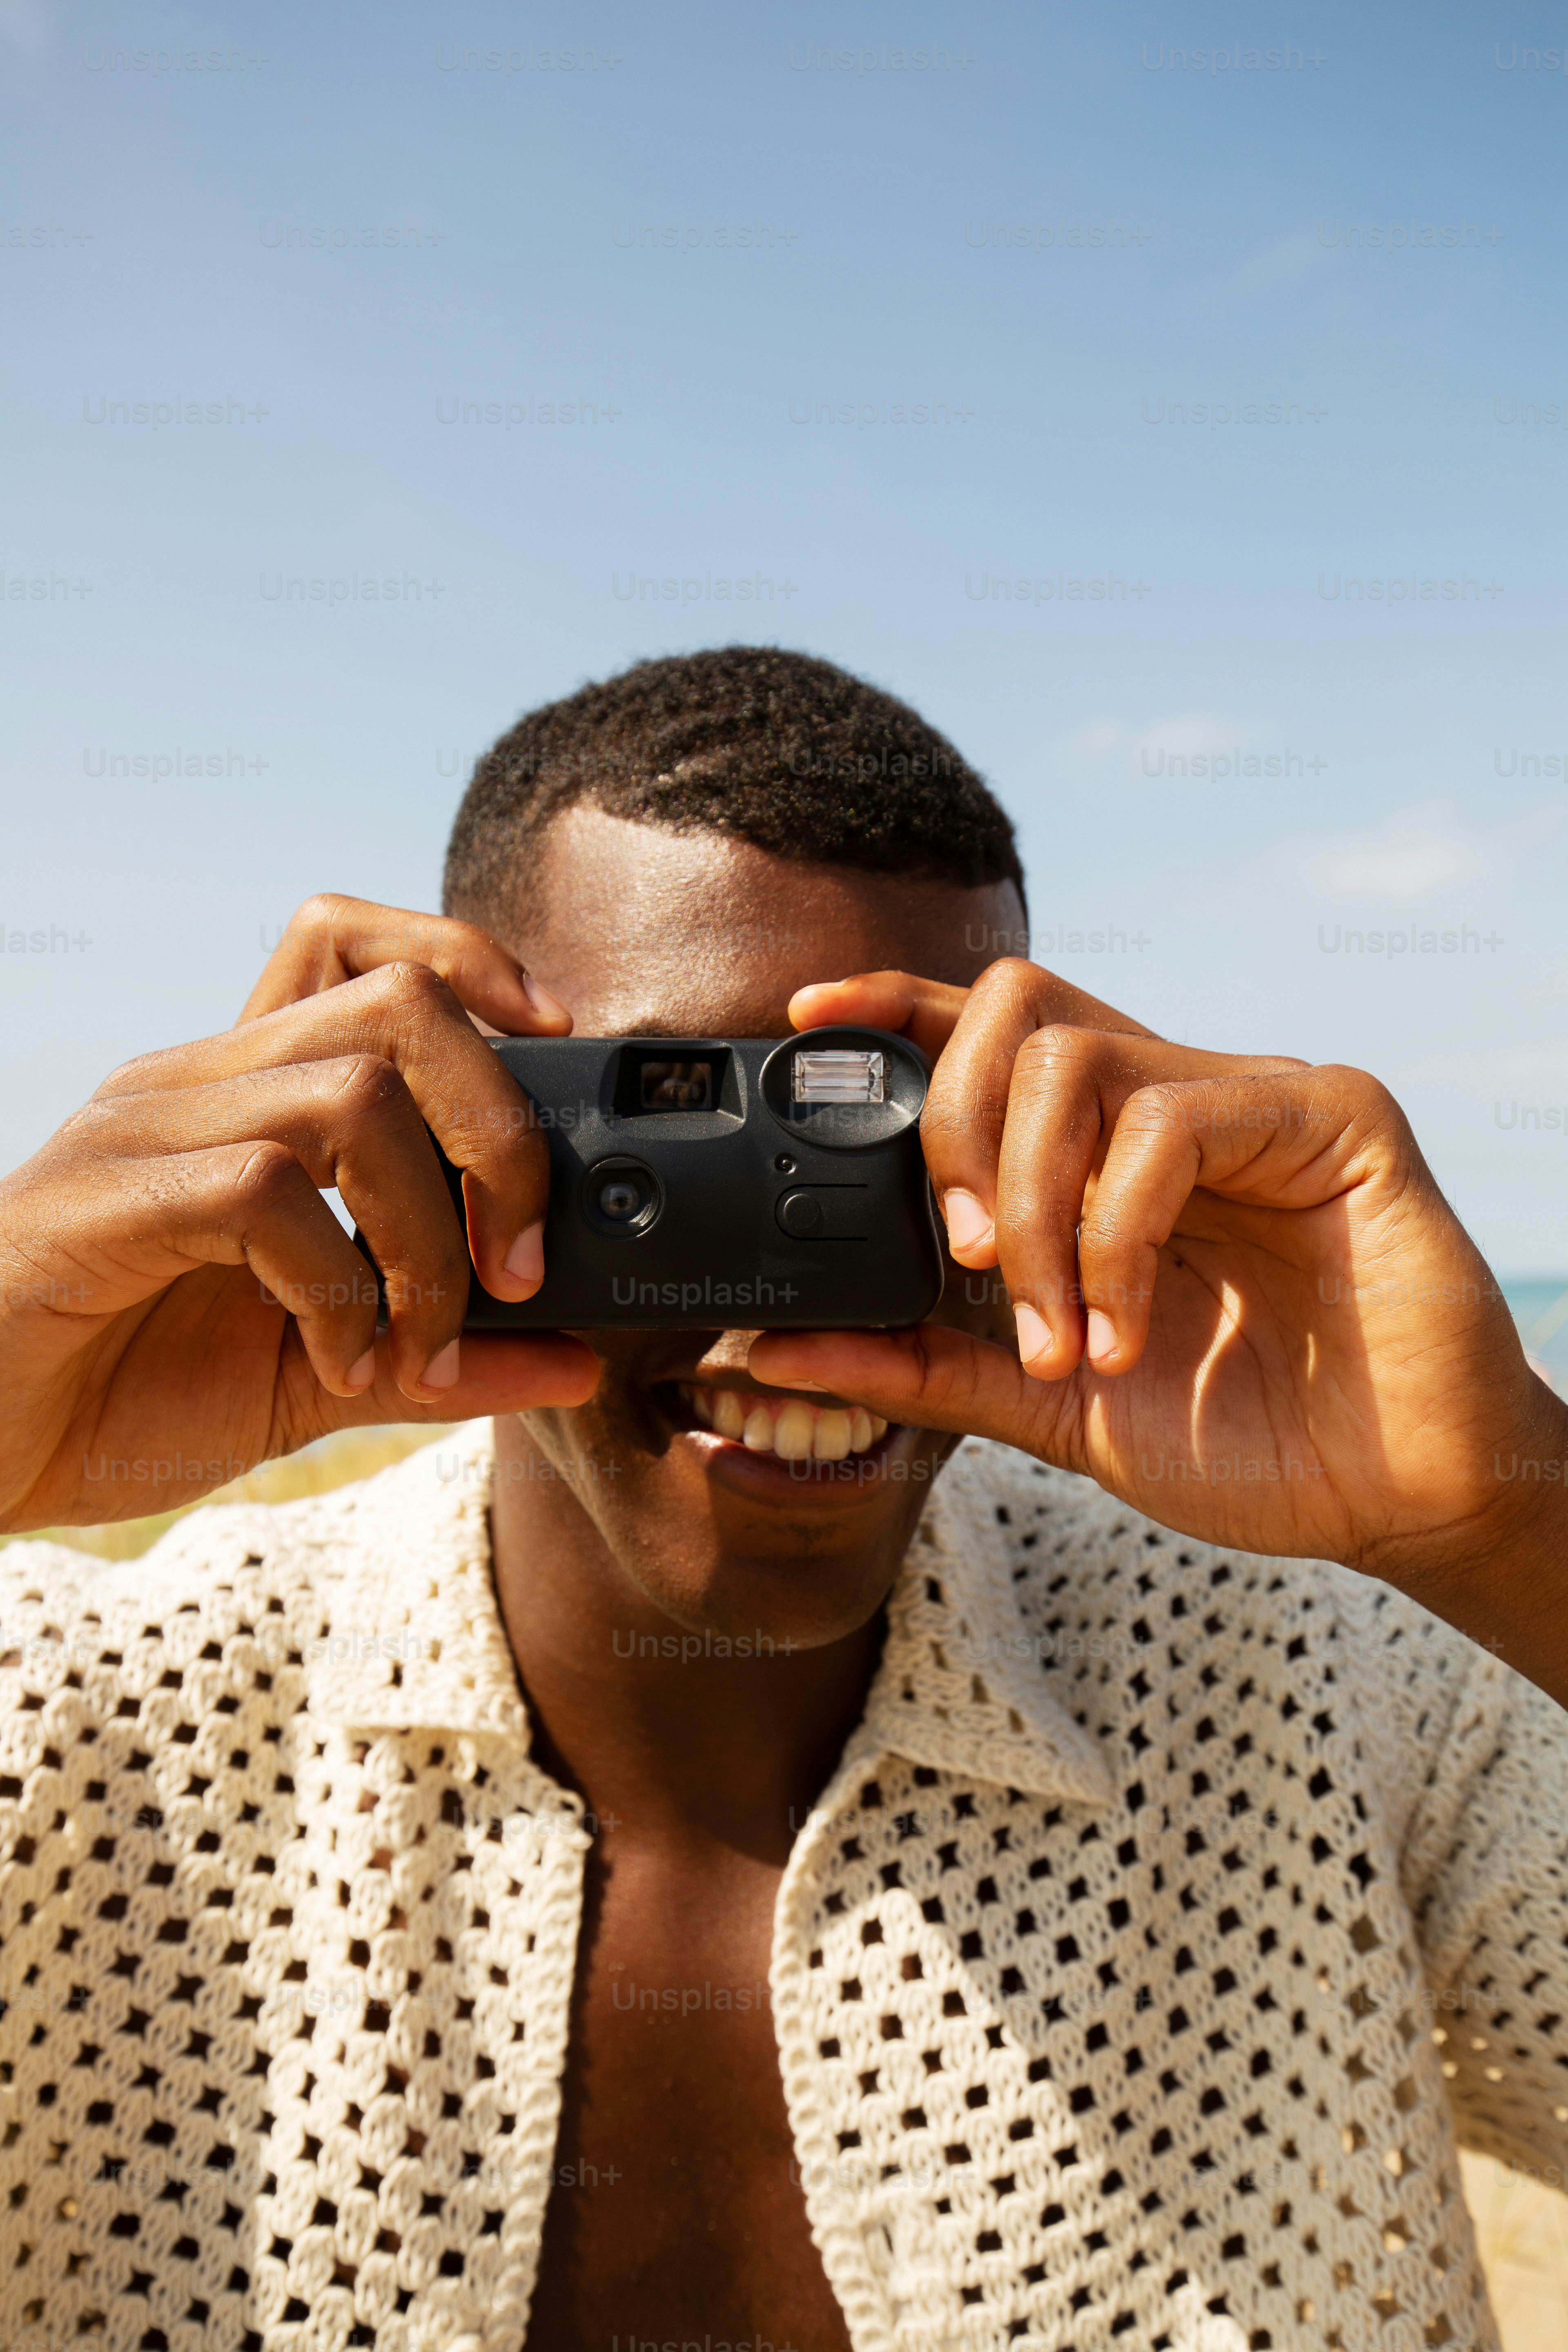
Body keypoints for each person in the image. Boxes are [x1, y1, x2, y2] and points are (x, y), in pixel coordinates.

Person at [0, 646, 1563, 2352]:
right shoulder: (85, 1727)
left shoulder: (1336, 1686)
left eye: (891, 1136)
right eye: (674, 1134)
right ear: (448, 1121)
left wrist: (1502, 1515)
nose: (811, 1295)